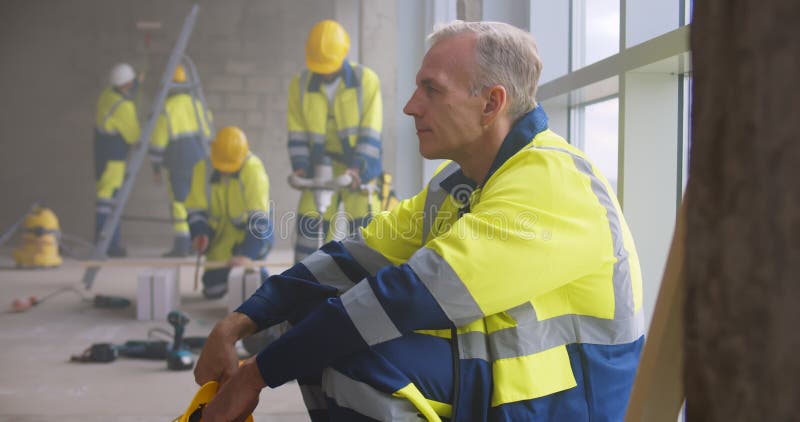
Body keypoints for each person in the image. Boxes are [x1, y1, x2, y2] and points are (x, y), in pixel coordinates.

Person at [195, 21, 644, 422]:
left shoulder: (551, 180)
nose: (411, 106)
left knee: (353, 351)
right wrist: (238, 322)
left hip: (569, 400)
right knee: (315, 325)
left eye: (432, 89)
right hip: (512, 372)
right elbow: (356, 255)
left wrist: (256, 375)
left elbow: (409, 296)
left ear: (491, 103)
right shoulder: (463, 181)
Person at [287, 19, 384, 263]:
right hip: (319, 167)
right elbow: (296, 131)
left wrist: (358, 169)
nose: (324, 70)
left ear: (344, 53)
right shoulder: (299, 86)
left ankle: (365, 283)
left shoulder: (366, 81)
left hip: (355, 168)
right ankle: (302, 287)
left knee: (365, 229)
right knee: (309, 225)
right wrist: (300, 165)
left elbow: (370, 131)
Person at [184, 126, 273, 300]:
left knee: (252, 284)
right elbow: (195, 209)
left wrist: (247, 255)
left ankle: (258, 271)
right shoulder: (202, 169)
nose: (225, 170)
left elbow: (259, 219)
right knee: (213, 289)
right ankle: (231, 276)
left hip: (249, 235)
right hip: (219, 238)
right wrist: (200, 234)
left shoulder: (253, 169)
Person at [149, 64, 213, 257]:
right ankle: (198, 242)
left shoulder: (166, 108)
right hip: (200, 160)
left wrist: (156, 166)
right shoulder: (197, 104)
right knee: (197, 201)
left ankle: (182, 245)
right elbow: (209, 133)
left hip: (177, 162)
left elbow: (158, 141)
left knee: (179, 203)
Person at [93, 62, 142, 257]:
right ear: (127, 84)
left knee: (104, 200)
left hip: (102, 156)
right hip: (115, 161)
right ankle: (109, 245)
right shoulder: (124, 106)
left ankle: (102, 243)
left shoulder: (107, 95)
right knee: (111, 202)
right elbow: (133, 136)